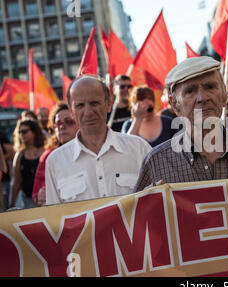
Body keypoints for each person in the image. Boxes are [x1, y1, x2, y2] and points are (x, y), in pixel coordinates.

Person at [134, 56, 228, 191]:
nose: (202, 97)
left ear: (224, 94)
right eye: (190, 91)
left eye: (210, 87)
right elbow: (135, 218)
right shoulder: (156, 163)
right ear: (174, 104)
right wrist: (145, 204)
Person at [45, 75, 151, 205]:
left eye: (94, 103)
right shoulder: (55, 162)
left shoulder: (139, 149)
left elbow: (156, 202)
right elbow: (56, 219)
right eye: (80, 105)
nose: (88, 112)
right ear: (71, 110)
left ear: (108, 104)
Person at [32, 102, 78, 207]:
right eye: (58, 124)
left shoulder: (92, 149)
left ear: (79, 123)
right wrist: (40, 196)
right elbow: (36, 194)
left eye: (69, 122)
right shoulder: (48, 157)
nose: (62, 127)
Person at [10, 120, 45, 209]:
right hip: (27, 200)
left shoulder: (45, 151)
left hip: (44, 199)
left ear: (34, 133)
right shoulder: (19, 155)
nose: (21, 134)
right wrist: (12, 205)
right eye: (20, 132)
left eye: (24, 131)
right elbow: (16, 182)